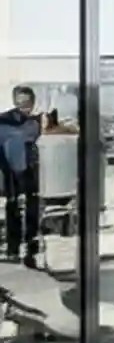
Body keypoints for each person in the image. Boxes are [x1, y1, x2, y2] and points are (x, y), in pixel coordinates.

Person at [0, 87, 43, 267]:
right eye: (20, 103)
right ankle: (14, 247)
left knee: (31, 207)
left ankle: (29, 247)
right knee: (13, 207)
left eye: (26, 103)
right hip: (10, 169)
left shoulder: (34, 122)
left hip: (28, 169)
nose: (23, 107)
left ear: (32, 103)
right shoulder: (6, 121)